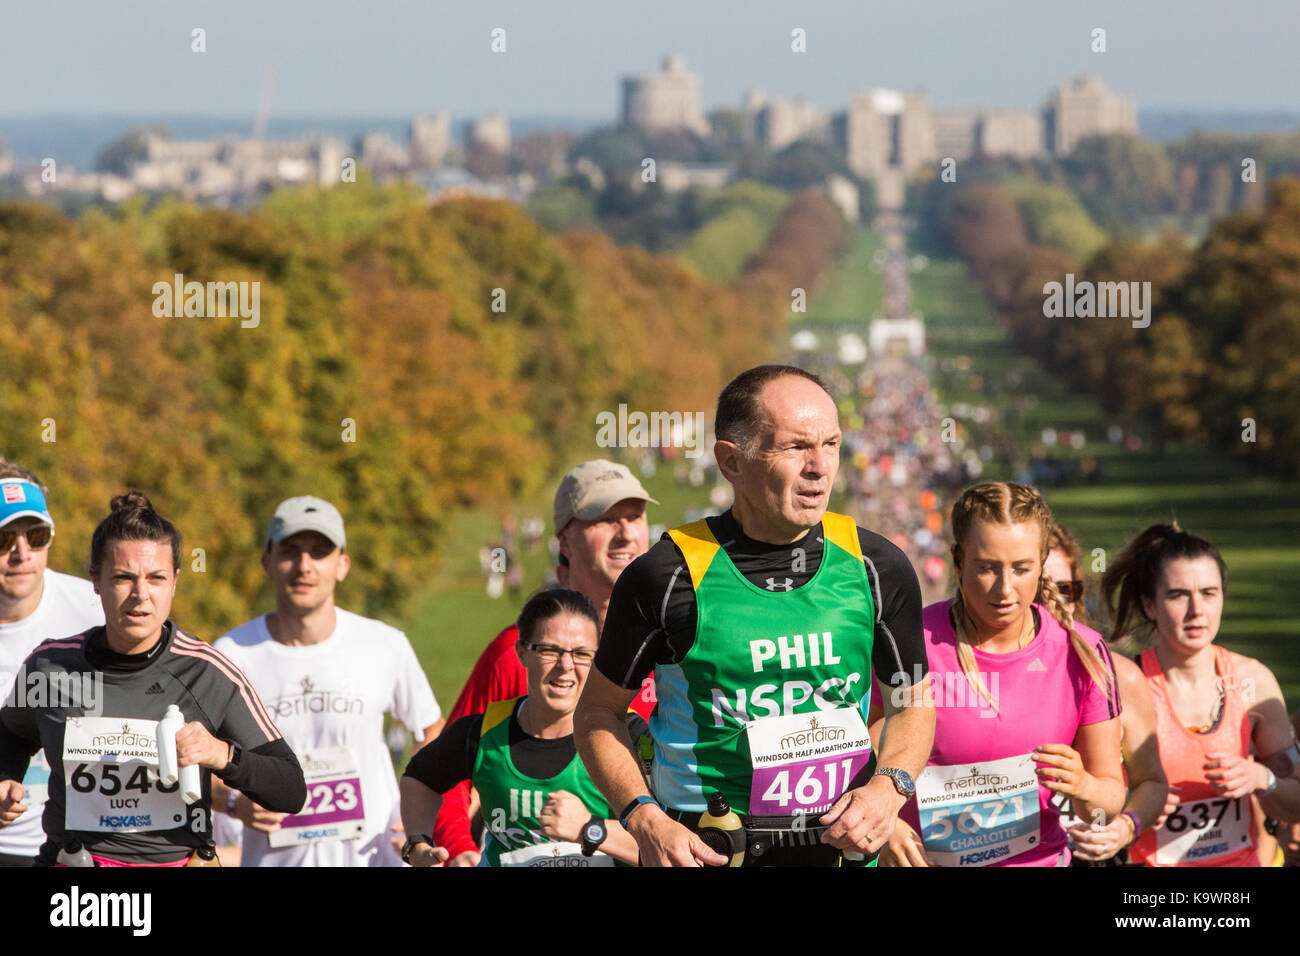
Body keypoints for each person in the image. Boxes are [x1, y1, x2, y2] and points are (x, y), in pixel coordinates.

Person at [576, 365, 934, 867]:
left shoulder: (878, 567)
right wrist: (643, 818)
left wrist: (889, 788)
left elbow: (912, 702)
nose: (819, 466)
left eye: (831, 444)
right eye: (795, 447)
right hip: (708, 849)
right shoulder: (665, 576)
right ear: (731, 462)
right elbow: (597, 713)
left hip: (837, 850)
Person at [0, 491, 305, 865]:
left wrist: (221, 754)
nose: (140, 595)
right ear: (95, 580)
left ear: (175, 580)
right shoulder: (49, 666)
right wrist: (5, 778)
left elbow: (291, 789)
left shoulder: (207, 671)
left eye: (156, 578)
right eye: (123, 578)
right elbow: (11, 735)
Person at [878, 483, 1127, 867]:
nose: (1004, 589)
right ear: (957, 560)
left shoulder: (1083, 650)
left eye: (1022, 568)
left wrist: (1084, 785)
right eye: (987, 568)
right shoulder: (909, 640)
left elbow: (1110, 798)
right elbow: (856, 757)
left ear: (1042, 561)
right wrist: (884, 822)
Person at [431, 460, 657, 866]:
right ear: (564, 542)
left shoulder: (679, 646)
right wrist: (457, 849)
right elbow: (448, 774)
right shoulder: (515, 653)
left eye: (634, 516)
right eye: (605, 519)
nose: (625, 534)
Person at [212, 496, 443, 866]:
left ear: (342, 565)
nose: (304, 566)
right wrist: (232, 802)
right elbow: (190, 761)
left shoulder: (384, 644)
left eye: (319, 552)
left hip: (374, 858)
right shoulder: (230, 654)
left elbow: (432, 733)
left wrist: (416, 813)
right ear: (267, 562)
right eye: (290, 550)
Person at [1101, 523, 1300, 866]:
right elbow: (1085, 803)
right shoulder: (1123, 687)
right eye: (1178, 595)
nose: (1197, 610)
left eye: (1209, 593)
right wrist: (1135, 806)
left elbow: (1295, 803)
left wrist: (1261, 779)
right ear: (1150, 605)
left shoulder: (1254, 682)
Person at [401, 589, 641, 866]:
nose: (565, 666)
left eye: (581, 653)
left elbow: (667, 840)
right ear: (521, 652)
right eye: (550, 650)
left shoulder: (626, 735)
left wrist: (589, 829)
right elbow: (418, 778)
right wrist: (417, 844)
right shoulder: (482, 734)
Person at [1037, 522, 1170, 866]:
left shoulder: (1121, 676)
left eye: (1064, 589)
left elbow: (1152, 781)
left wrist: (1125, 828)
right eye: (1038, 589)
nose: (1049, 602)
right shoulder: (968, 677)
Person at [0, 465, 105, 866]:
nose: (21, 552)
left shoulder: (94, 609)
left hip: (79, 846)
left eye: (36, 536)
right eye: (4, 537)